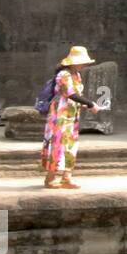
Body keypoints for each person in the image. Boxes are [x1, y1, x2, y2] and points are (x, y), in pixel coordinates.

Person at [41, 46, 101, 188]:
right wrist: (91, 103)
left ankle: (66, 177)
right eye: (81, 62)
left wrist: (84, 104)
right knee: (57, 144)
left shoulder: (76, 75)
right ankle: (50, 178)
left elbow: (75, 96)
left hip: (71, 114)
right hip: (60, 115)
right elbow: (70, 94)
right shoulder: (64, 75)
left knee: (70, 144)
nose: (83, 65)